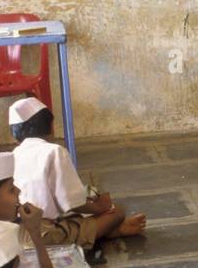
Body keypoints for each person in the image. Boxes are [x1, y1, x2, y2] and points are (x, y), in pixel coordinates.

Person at [9, 96, 146, 249]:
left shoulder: (13, 155)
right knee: (117, 212)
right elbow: (71, 202)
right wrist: (100, 207)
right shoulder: (54, 151)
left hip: (18, 234)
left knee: (74, 219)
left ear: (15, 136)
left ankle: (104, 232)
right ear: (51, 127)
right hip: (44, 236)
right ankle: (108, 231)